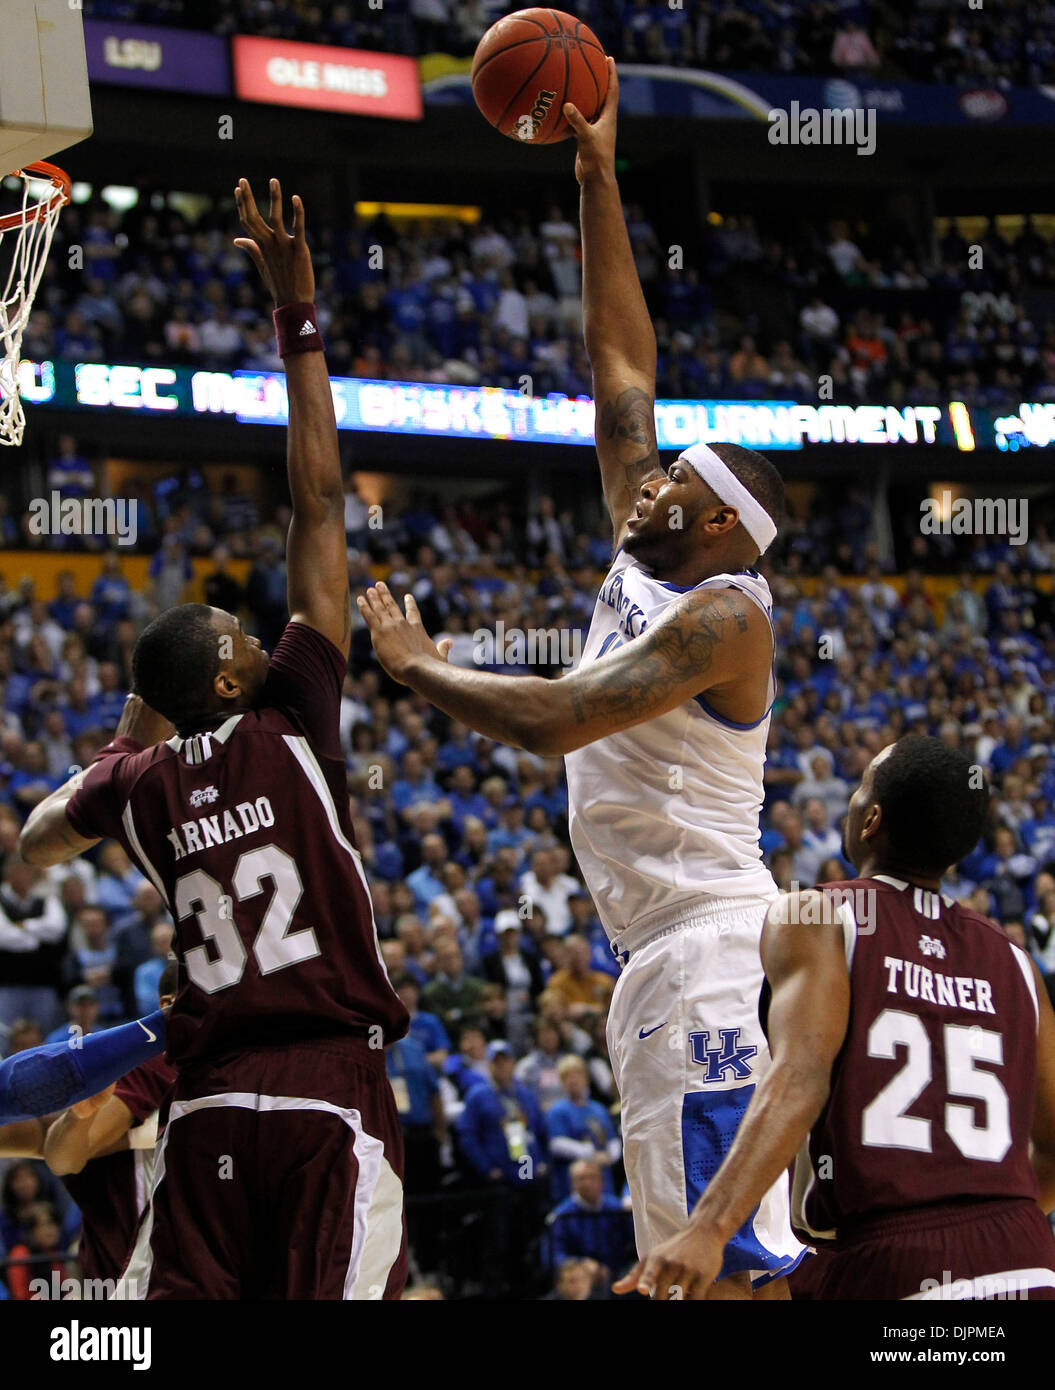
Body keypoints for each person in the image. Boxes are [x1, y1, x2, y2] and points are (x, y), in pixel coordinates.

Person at [356, 64, 800, 1298]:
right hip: (664, 949)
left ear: (721, 532)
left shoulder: (722, 620)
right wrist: (595, 176)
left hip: (705, 948)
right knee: (707, 1259)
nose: (647, 484)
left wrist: (417, 666)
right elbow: (619, 376)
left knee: (721, 1270)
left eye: (677, 490)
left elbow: (558, 719)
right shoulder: (653, 546)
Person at [19, 179, 409, 1302]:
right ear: (238, 674)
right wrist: (298, 320)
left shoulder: (132, 788)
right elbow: (321, 506)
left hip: (205, 1108)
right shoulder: (290, 713)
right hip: (328, 1096)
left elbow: (42, 839)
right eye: (242, 630)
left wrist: (132, 721)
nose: (257, 627)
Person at [619, 737, 1055, 1300]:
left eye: (860, 787)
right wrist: (987, 1216)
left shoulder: (817, 913)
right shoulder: (1016, 962)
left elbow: (799, 1076)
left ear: (871, 819)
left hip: (895, 1256)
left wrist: (708, 1228)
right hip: (1024, 1257)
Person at [42, 959, 179, 1288]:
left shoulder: (231, 1068)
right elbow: (67, 1157)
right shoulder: (148, 1065)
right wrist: (78, 1116)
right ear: (168, 1004)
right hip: (130, 1274)